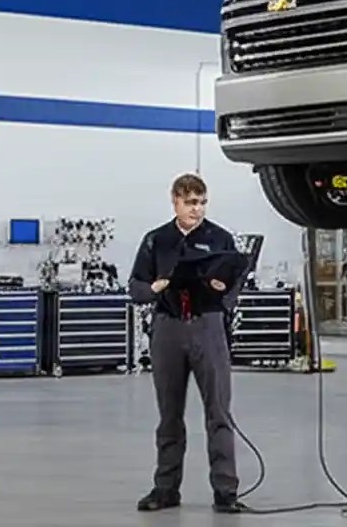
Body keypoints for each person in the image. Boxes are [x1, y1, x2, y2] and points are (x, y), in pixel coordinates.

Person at [128, 173, 245, 514]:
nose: (197, 210)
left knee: (219, 412)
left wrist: (226, 296)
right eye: (191, 203)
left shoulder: (221, 238)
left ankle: (226, 491)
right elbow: (135, 287)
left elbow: (237, 282)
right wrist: (155, 288)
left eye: (202, 203)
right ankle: (165, 489)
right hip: (168, 329)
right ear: (175, 201)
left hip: (208, 328)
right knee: (169, 415)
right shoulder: (156, 241)